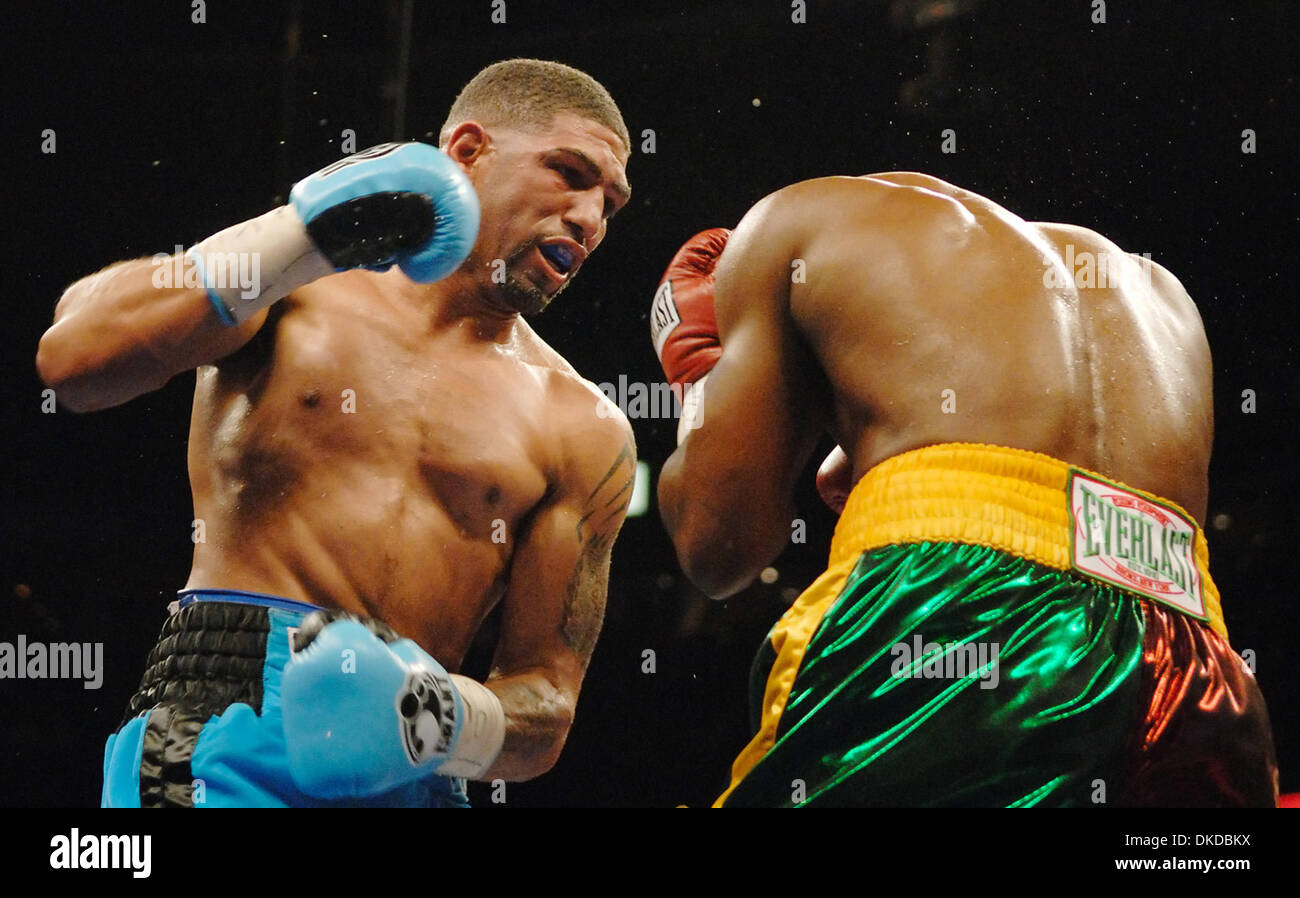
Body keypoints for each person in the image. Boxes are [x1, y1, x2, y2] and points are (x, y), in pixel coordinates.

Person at [36, 58, 636, 808]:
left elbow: (545, 703)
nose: (589, 217)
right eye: (569, 173)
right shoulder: (295, 290)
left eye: (610, 203)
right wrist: (300, 232)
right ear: (469, 150)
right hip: (226, 716)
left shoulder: (583, 425)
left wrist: (438, 717)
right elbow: (74, 360)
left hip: (416, 762)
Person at [651, 172, 1279, 807]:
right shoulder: (1152, 285)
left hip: (966, 621)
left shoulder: (791, 219)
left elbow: (720, 544)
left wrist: (701, 376)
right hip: (1197, 663)